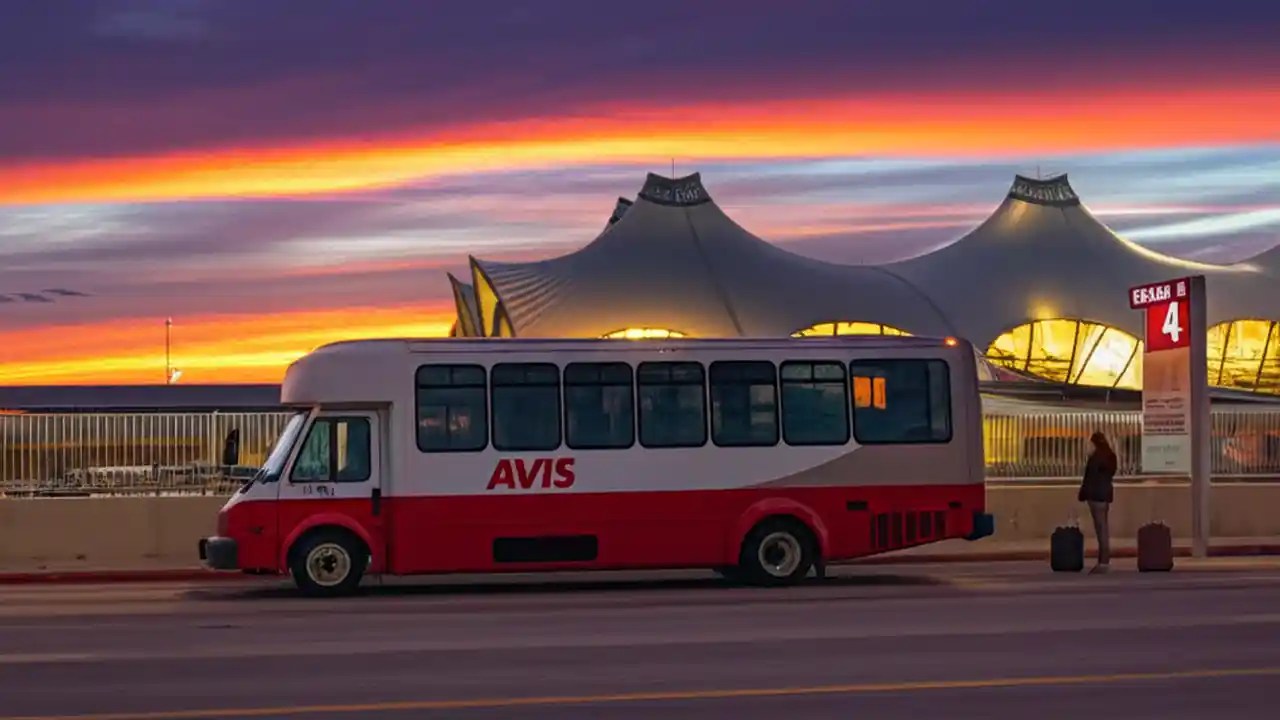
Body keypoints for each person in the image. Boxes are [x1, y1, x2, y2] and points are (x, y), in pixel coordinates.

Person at [1078, 431, 1118, 573]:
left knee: (1100, 529)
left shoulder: (1095, 458)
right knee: (1104, 528)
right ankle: (1104, 560)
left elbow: (1089, 478)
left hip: (1095, 496)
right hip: (1105, 495)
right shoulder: (1110, 456)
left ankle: (1103, 562)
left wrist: (1082, 494)